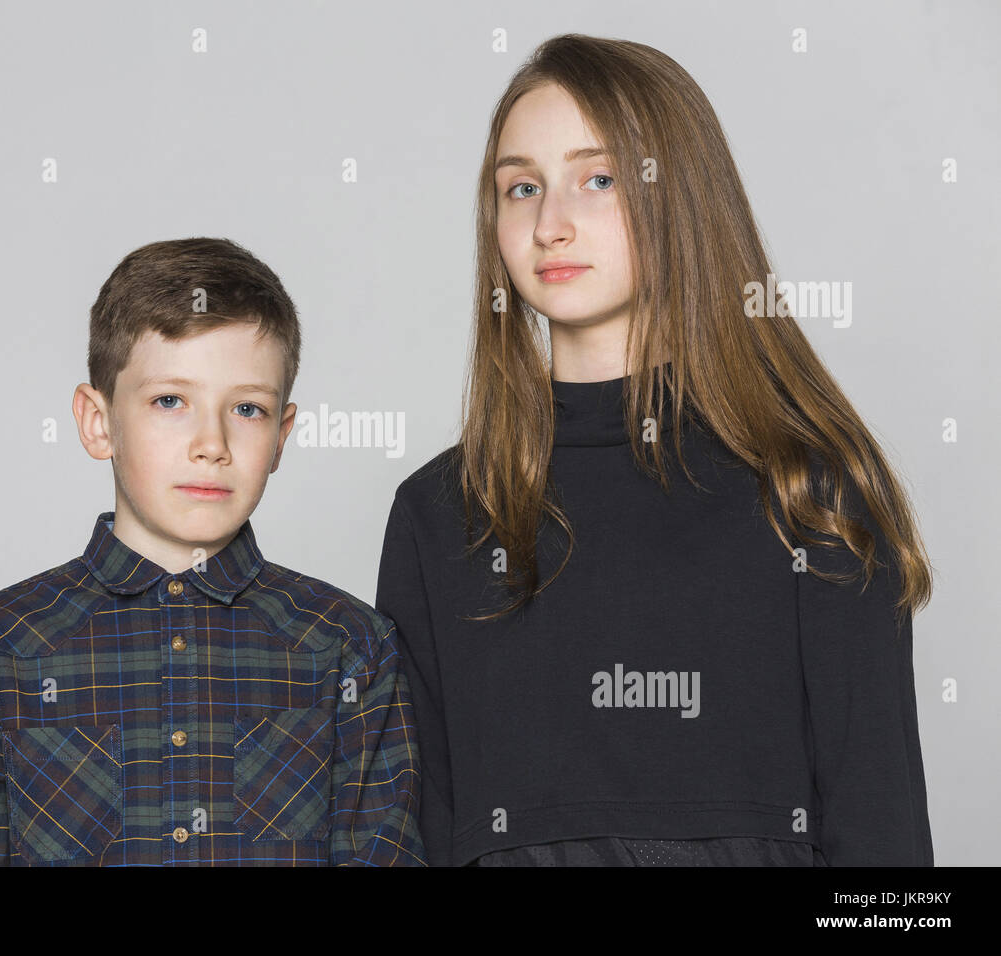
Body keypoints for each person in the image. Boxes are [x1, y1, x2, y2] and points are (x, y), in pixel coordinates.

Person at [374, 34, 934, 867]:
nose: (551, 224)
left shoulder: (808, 489)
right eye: (521, 187)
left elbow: (883, 840)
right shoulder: (441, 513)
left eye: (597, 179)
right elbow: (419, 832)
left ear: (682, 197)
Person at [0, 237, 424, 866]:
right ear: (98, 421)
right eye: (171, 401)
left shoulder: (350, 648)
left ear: (281, 437)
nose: (211, 443)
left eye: (247, 409)